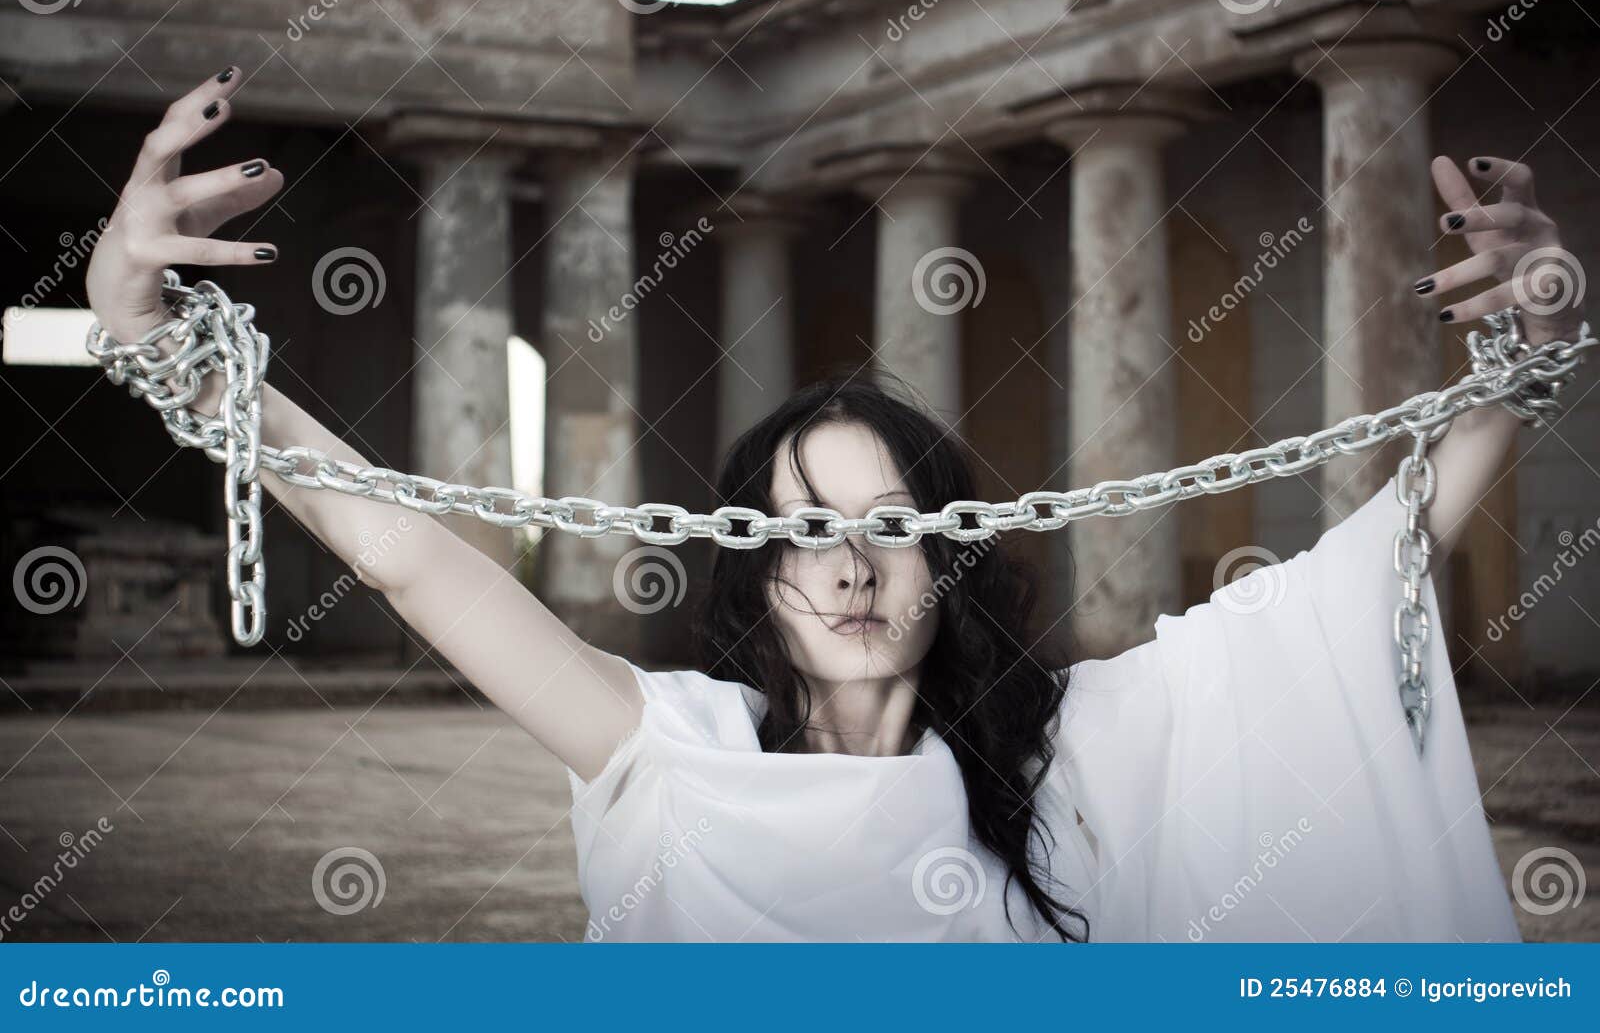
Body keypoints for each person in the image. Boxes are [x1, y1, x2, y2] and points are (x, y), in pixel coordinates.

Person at [86, 69, 1589, 942]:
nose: (856, 565)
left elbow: (1359, 570)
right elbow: (402, 547)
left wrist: (1525, 349)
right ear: (750, 564)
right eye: (805, 526)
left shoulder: (1074, 754)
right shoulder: (665, 750)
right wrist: (161, 345)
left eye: (895, 523)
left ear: (952, 559)